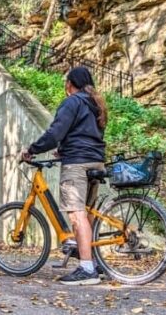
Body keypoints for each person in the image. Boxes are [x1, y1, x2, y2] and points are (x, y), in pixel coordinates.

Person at [21, 65, 108, 285]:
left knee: (76, 215)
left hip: (77, 165)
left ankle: (87, 269)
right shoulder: (95, 105)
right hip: (95, 160)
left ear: (70, 84)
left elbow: (55, 132)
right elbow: (85, 134)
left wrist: (32, 150)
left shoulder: (72, 102)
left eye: (65, 82)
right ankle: (94, 264)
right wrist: (63, 150)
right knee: (86, 214)